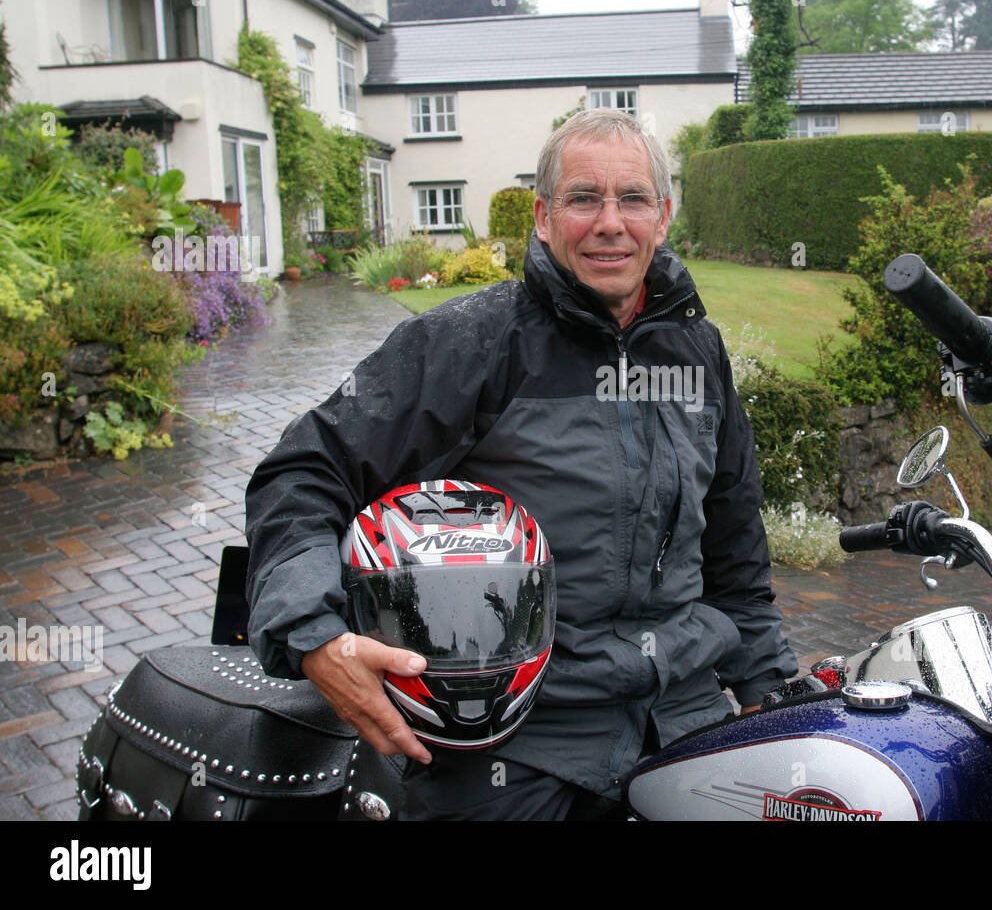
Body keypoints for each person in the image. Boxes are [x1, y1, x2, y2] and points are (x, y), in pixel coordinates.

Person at [243, 108, 797, 819]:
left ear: (662, 218)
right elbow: (303, 471)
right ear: (541, 216)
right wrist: (312, 635)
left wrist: (773, 691)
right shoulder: (471, 342)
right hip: (518, 738)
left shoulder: (697, 353)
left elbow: (734, 550)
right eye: (582, 198)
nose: (609, 222)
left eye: (632, 199)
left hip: (683, 721)